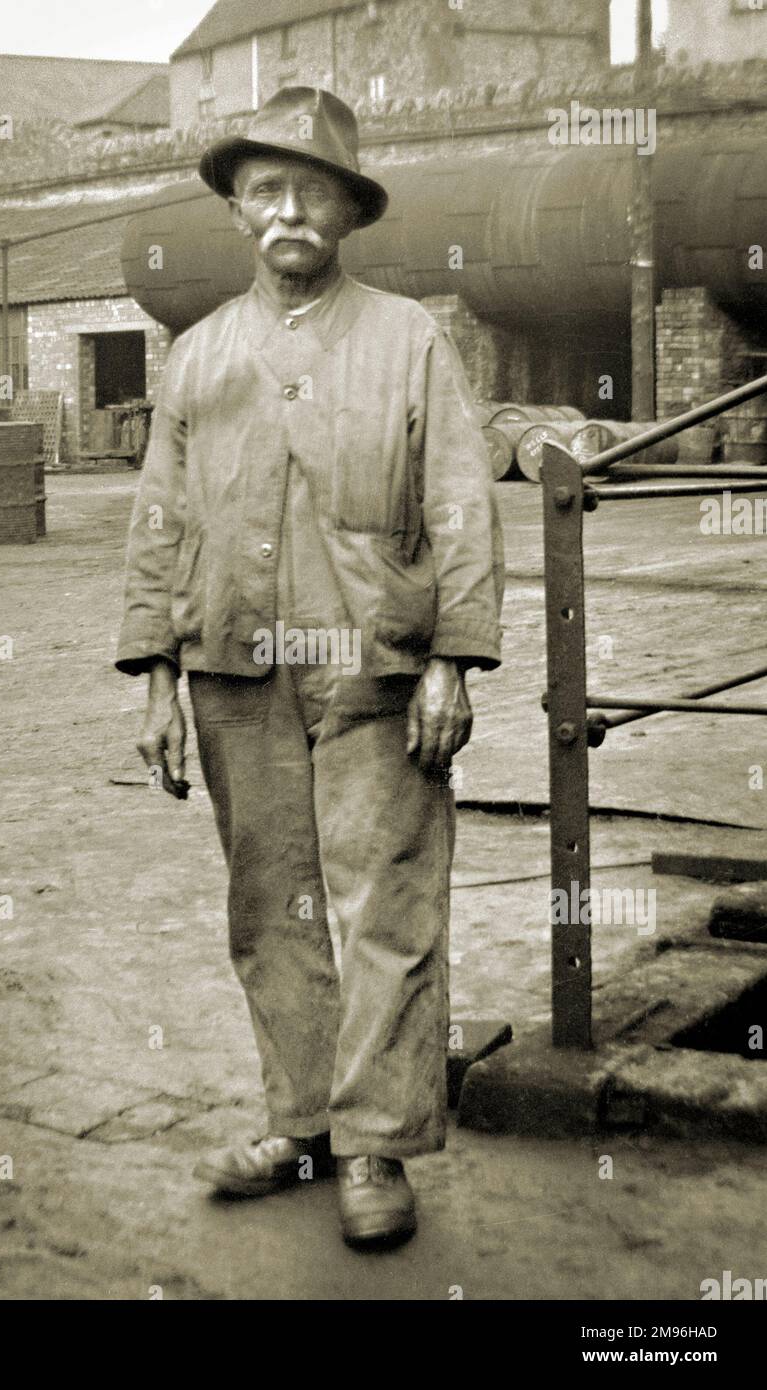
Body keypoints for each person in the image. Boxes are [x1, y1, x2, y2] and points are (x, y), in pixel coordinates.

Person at [116, 86, 504, 1248]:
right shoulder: (198, 357)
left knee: (384, 904)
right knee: (270, 909)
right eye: (267, 189)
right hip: (232, 667)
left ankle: (376, 1143)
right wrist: (154, 677)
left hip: (372, 668)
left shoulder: (406, 338)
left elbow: (460, 504)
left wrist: (454, 659)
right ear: (239, 211)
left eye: (312, 190)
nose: (289, 208)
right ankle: (302, 1125)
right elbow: (158, 517)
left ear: (346, 210)